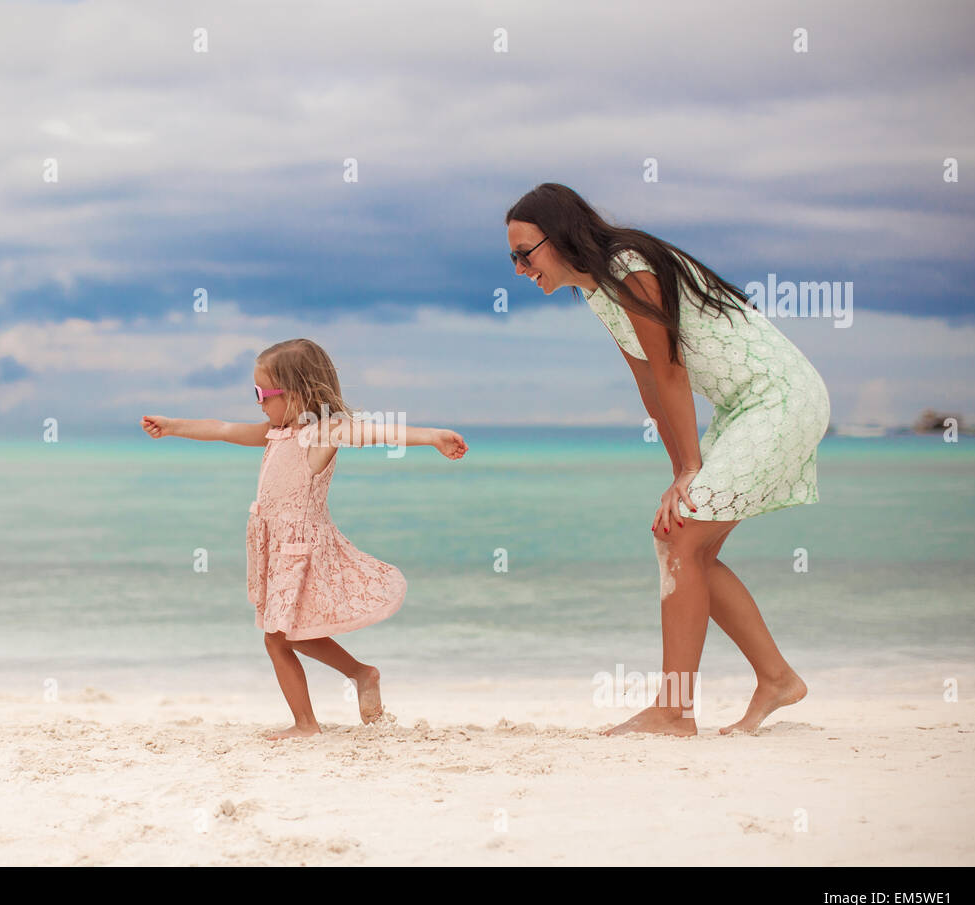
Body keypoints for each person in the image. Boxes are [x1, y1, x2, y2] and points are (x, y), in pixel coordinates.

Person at [505, 183, 831, 736]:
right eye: (513, 257)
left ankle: (675, 711)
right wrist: (679, 472)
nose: (518, 268)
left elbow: (672, 368)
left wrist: (689, 470)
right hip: (742, 406)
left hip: (780, 399)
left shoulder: (630, 266)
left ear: (558, 237)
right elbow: (650, 387)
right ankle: (776, 679)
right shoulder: (596, 293)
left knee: (682, 537)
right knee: (680, 536)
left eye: (524, 253)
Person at [142, 338, 468, 740]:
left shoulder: (323, 434)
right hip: (276, 548)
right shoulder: (274, 433)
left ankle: (306, 724)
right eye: (255, 393)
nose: (258, 402)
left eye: (264, 393)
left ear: (297, 393)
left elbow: (377, 432)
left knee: (276, 638)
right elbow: (223, 429)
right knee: (291, 633)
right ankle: (361, 675)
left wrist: (433, 436)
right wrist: (173, 427)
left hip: (301, 549)